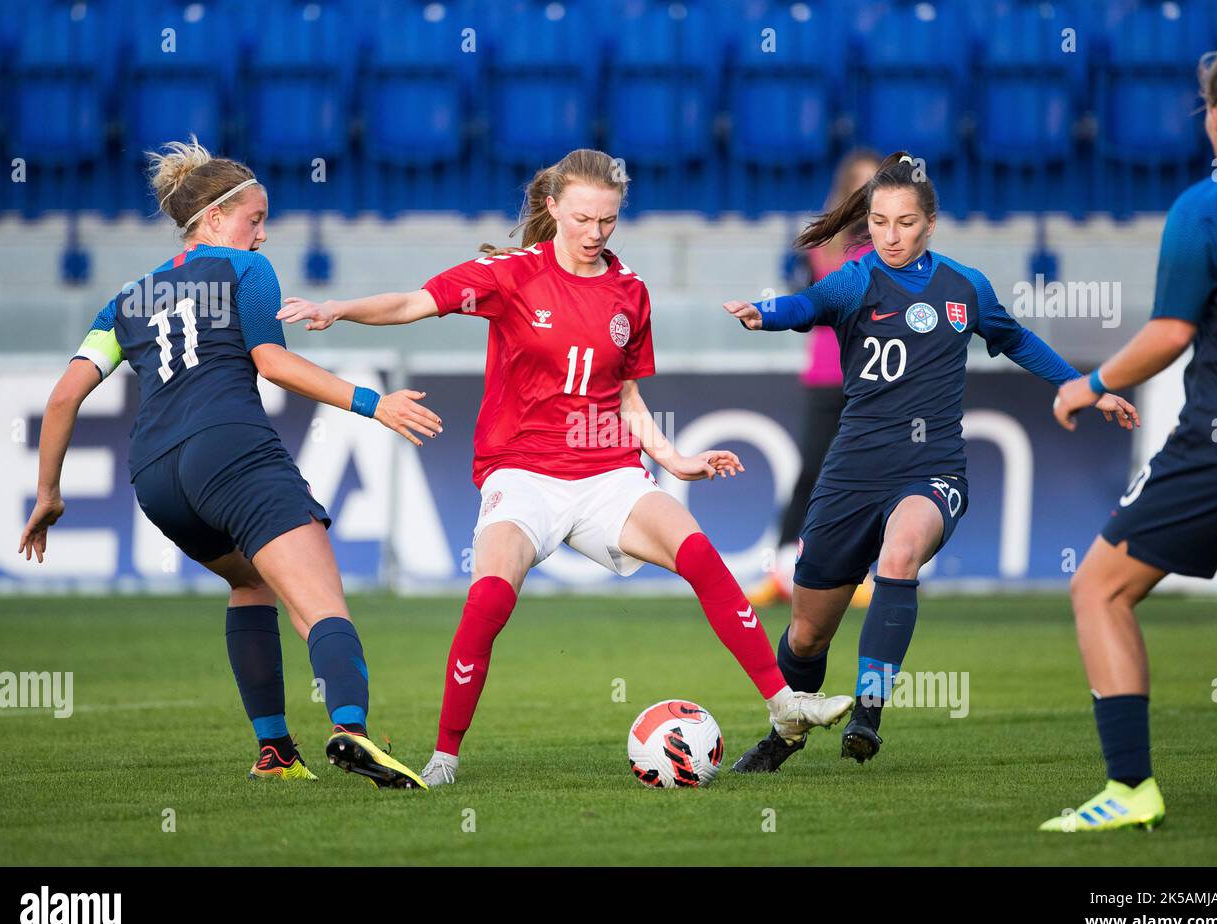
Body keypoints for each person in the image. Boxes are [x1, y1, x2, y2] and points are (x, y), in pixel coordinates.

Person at [278, 148, 854, 788]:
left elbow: (628, 398)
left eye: (608, 220)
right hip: (521, 474)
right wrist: (339, 310)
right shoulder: (509, 274)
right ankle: (444, 758)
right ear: (553, 208)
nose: (595, 233)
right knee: (490, 598)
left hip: (608, 472)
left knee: (698, 555)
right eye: (583, 218)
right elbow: (415, 303)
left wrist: (672, 459)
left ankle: (785, 704)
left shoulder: (629, 291)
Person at [18, 138, 441, 789]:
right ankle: (352, 732)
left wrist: (47, 492)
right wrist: (371, 402)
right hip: (233, 452)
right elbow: (272, 363)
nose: (263, 234)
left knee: (251, 583)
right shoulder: (245, 273)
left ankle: (275, 752)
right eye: (255, 219)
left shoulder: (128, 298)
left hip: (157, 477)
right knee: (325, 605)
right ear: (212, 219)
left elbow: (64, 396)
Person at [723, 150, 1139, 773]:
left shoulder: (964, 286)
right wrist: (766, 314)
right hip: (853, 471)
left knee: (900, 554)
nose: (892, 235)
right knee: (808, 634)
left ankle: (868, 712)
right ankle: (785, 733)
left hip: (932, 467)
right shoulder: (857, 278)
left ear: (930, 224)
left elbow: (1017, 338)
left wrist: (1083, 386)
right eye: (881, 221)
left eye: (906, 222)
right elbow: (804, 305)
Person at [1041, 44, 1217, 832]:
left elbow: (1171, 333)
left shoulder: (1207, 206)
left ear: (1216, 117)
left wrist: (1091, 382)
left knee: (1099, 588)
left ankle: (1131, 788)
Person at [750, 148, 880, 610]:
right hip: (828, 372)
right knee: (811, 470)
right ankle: (782, 570)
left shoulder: (895, 247)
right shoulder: (825, 243)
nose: (866, 193)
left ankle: (859, 573)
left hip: (874, 376)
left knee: (865, 476)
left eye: (875, 183)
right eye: (859, 184)